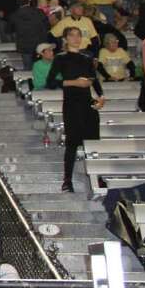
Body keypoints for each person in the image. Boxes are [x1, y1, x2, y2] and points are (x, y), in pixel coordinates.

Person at [46, 27, 105, 192]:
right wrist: (74, 82)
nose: (76, 38)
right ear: (65, 38)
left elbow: (95, 81)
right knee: (72, 143)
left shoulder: (87, 58)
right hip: (72, 104)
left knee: (93, 143)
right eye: (72, 35)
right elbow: (50, 82)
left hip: (88, 104)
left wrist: (102, 98)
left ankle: (98, 178)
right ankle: (67, 180)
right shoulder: (60, 58)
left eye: (78, 35)